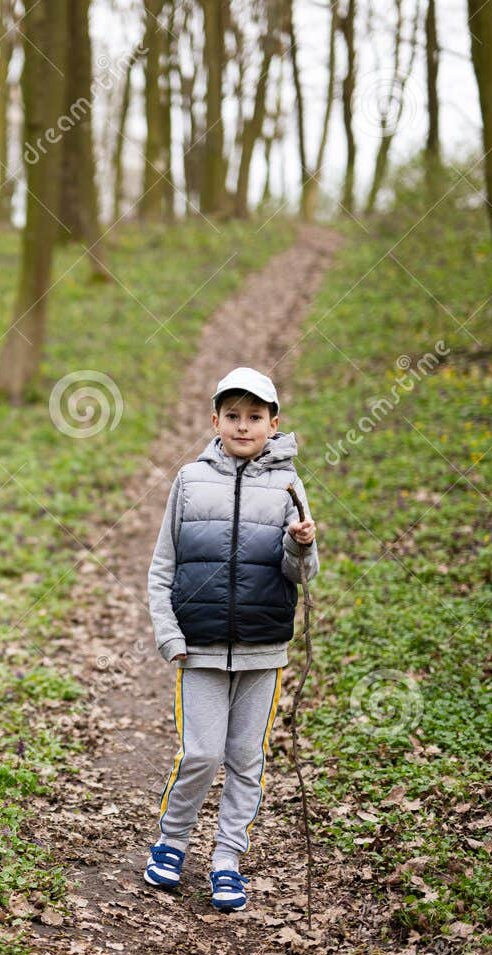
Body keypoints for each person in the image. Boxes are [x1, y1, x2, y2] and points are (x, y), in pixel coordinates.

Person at [143, 366, 318, 911]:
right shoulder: (190, 480)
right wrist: (170, 636)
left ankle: (227, 860)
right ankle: (171, 843)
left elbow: (303, 573)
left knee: (246, 755)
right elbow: (161, 568)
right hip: (198, 648)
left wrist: (300, 546)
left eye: (255, 417)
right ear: (216, 420)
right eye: (233, 416)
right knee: (200, 752)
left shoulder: (289, 484)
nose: (244, 427)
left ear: (273, 423)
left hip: (263, 652)